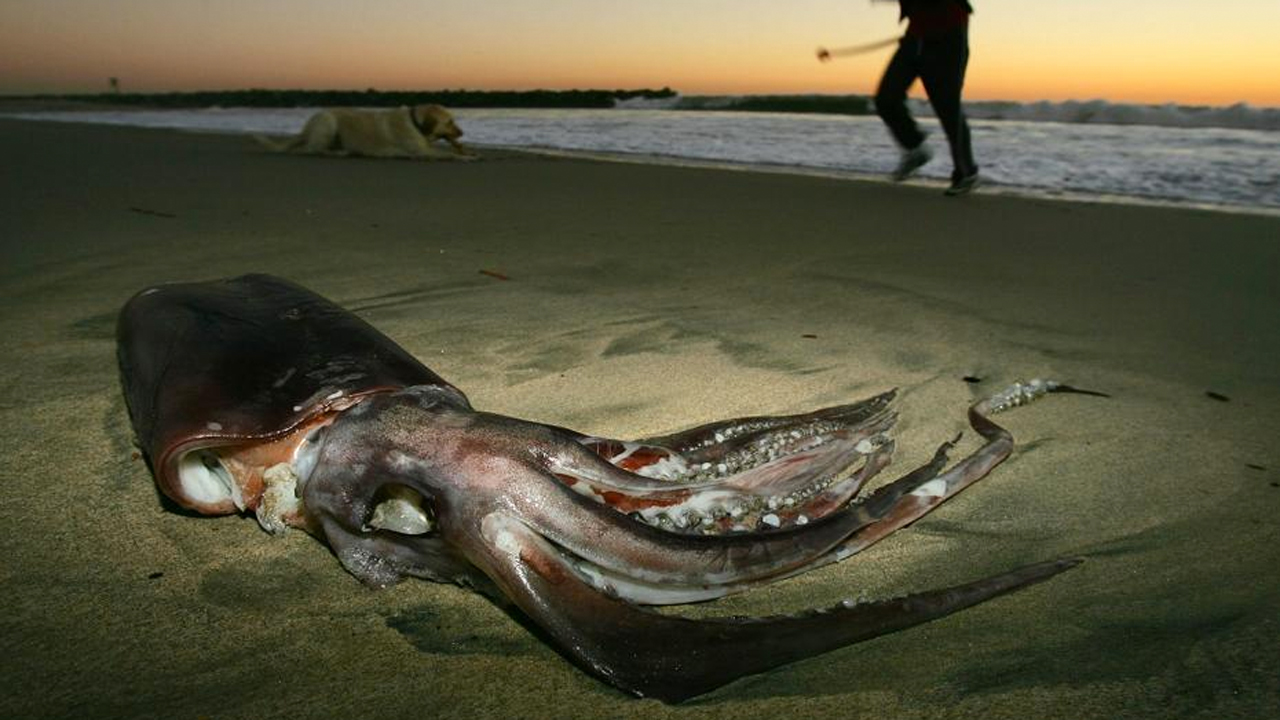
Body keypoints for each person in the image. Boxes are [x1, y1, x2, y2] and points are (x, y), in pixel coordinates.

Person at [876, 0, 979, 195]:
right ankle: (915, 148)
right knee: (886, 99)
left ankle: (966, 172)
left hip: (949, 33)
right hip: (915, 36)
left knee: (947, 105)